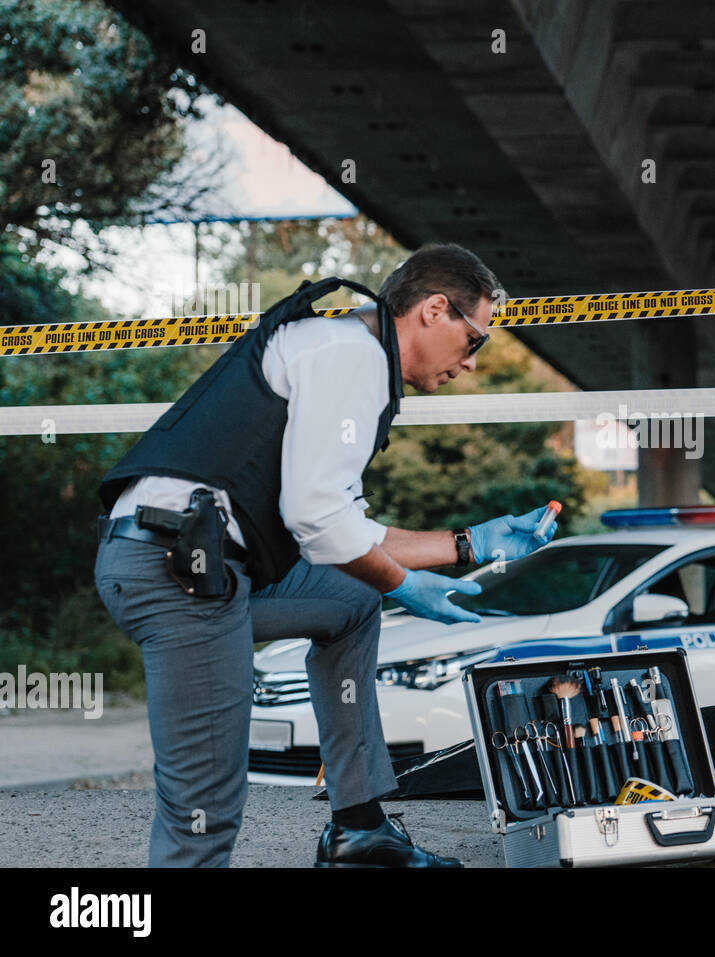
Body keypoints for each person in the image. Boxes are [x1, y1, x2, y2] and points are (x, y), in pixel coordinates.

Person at [94, 242, 556, 866]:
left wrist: (467, 542)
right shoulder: (350, 355)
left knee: (350, 600)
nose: (472, 363)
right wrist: (400, 582)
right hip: (179, 574)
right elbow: (317, 521)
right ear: (434, 310)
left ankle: (359, 828)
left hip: (204, 565)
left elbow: (342, 526)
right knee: (204, 808)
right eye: (475, 340)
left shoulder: (347, 349)